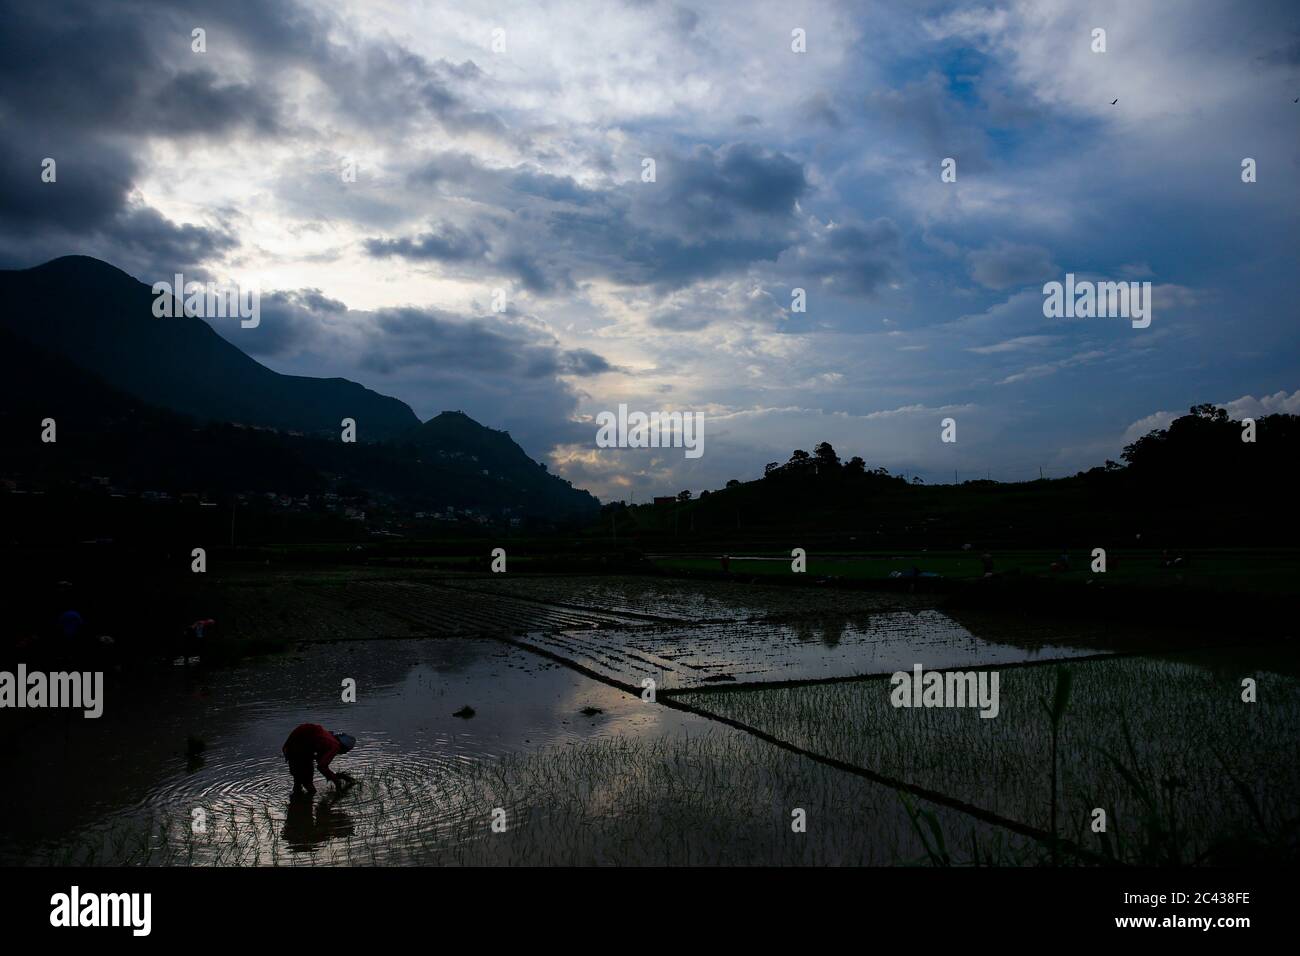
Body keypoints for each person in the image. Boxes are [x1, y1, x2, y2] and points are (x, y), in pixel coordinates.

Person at [282, 724, 356, 796]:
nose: (344, 753)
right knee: (309, 785)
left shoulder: (328, 737)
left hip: (292, 747)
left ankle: (298, 804)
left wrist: (335, 775)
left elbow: (318, 759)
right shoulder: (335, 745)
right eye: (346, 751)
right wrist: (337, 781)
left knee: (298, 779)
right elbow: (321, 767)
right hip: (297, 748)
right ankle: (307, 801)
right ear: (343, 747)